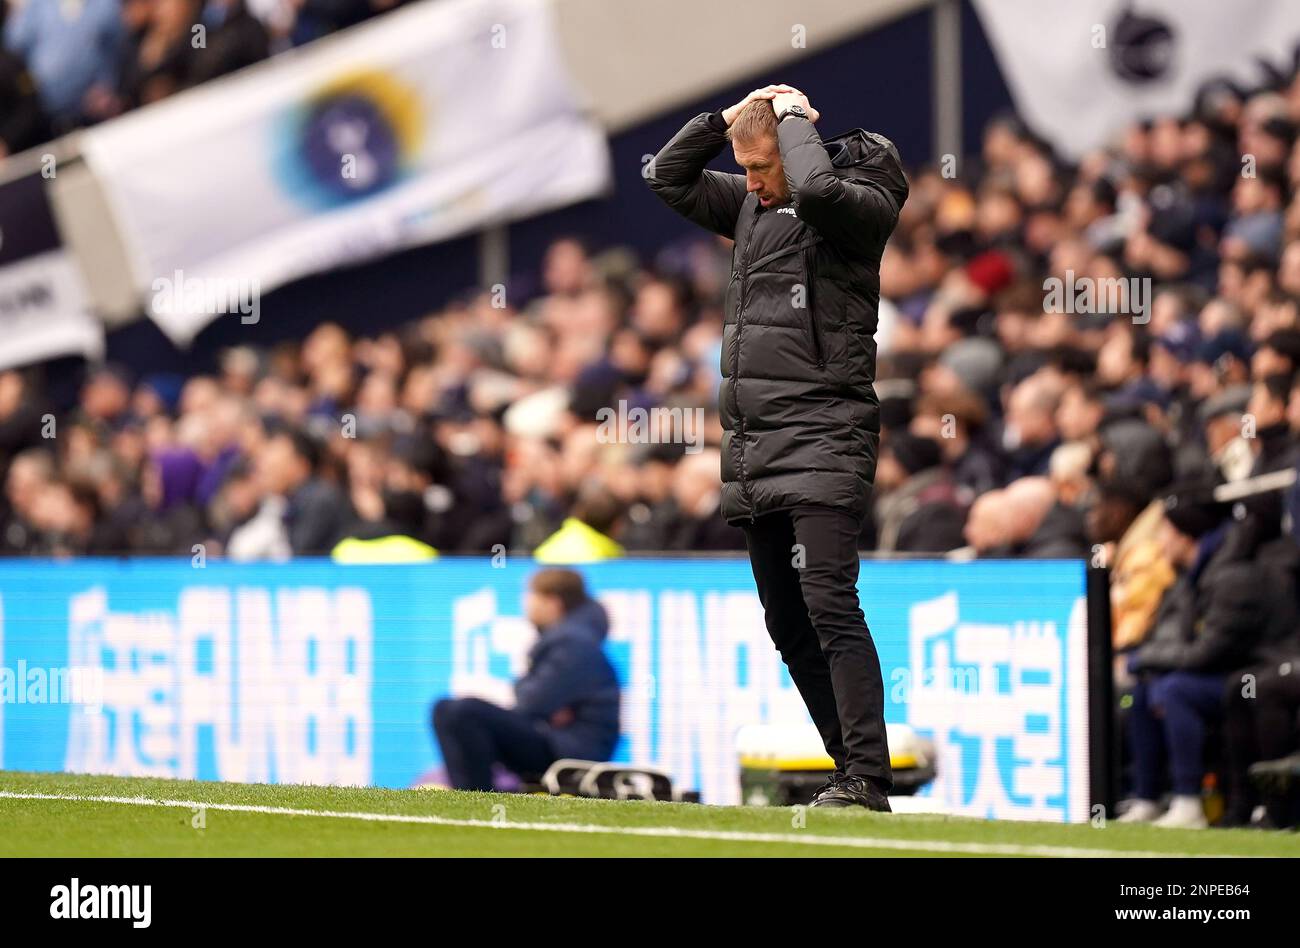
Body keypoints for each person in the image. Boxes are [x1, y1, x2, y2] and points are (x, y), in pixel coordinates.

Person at [647, 83, 908, 810]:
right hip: (758, 451)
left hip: (827, 438)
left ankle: (867, 775)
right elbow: (666, 176)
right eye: (745, 167)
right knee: (788, 624)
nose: (752, 182)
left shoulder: (857, 205)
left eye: (762, 167)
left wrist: (792, 118)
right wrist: (723, 122)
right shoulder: (751, 204)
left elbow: (818, 190)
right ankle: (853, 777)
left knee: (830, 606)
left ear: (797, 146)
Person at [1119, 483, 1264, 828]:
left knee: (1175, 690)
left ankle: (1189, 801)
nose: (1159, 544)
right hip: (1215, 671)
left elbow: (1209, 651)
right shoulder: (1190, 577)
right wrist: (1147, 665)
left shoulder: (1230, 575)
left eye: (1165, 534)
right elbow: (1179, 639)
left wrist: (1143, 660)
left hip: (1250, 676)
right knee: (1140, 691)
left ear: (1186, 536)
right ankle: (1148, 797)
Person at [431, 568, 620, 791]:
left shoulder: (572, 644)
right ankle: (473, 793)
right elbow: (537, 701)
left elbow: (530, 703)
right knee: (454, 710)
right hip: (562, 742)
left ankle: (474, 796)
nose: (526, 602)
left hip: (568, 750)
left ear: (552, 602)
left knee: (459, 712)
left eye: (531, 595)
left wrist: (533, 698)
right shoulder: (572, 639)